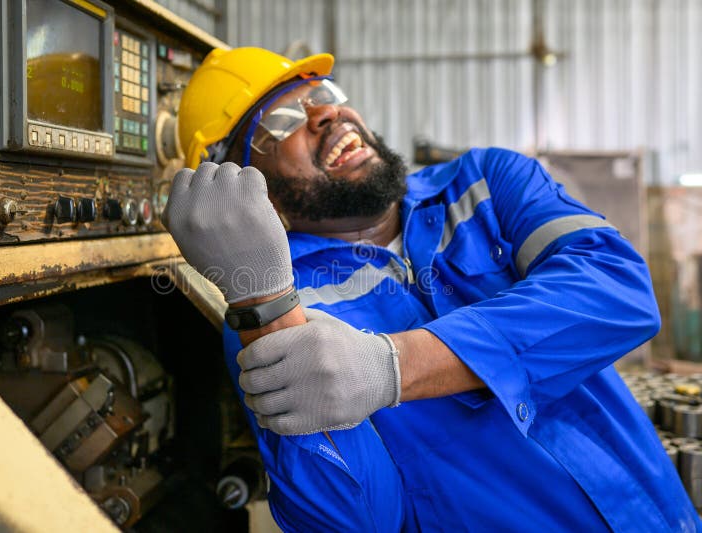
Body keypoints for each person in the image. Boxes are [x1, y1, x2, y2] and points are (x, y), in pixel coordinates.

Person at [164, 47, 699, 531]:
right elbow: (360, 521)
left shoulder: (487, 183)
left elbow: (620, 289)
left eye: (322, 94)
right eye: (282, 121)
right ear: (243, 183)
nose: (324, 113)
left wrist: (393, 366)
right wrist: (265, 303)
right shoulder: (278, 308)